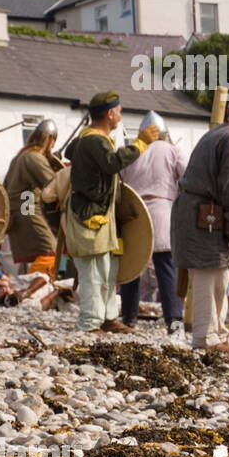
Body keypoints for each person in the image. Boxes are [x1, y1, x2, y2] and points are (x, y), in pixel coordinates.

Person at [172, 84, 229, 353]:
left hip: (199, 209)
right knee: (209, 274)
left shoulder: (218, 133)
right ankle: (205, 339)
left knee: (219, 273)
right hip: (204, 213)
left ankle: (217, 332)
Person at [63, 91, 160, 333]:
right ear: (109, 114)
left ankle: (107, 318)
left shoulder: (90, 138)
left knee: (107, 271)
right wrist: (141, 143)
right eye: (119, 110)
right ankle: (89, 323)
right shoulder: (94, 140)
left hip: (102, 215)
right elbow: (112, 163)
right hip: (89, 214)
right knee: (93, 272)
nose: (120, 114)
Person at [119, 110, 187, 333]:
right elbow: (188, 177)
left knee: (132, 268)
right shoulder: (172, 150)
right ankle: (174, 321)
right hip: (161, 211)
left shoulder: (131, 151)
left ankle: (128, 317)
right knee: (166, 268)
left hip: (134, 211)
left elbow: (120, 180)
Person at [2, 119, 59, 279]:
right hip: (27, 210)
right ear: (49, 139)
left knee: (39, 254)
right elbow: (53, 185)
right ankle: (34, 289)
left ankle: (32, 284)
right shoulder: (34, 157)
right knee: (50, 250)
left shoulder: (19, 157)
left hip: (18, 213)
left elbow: (5, 187)